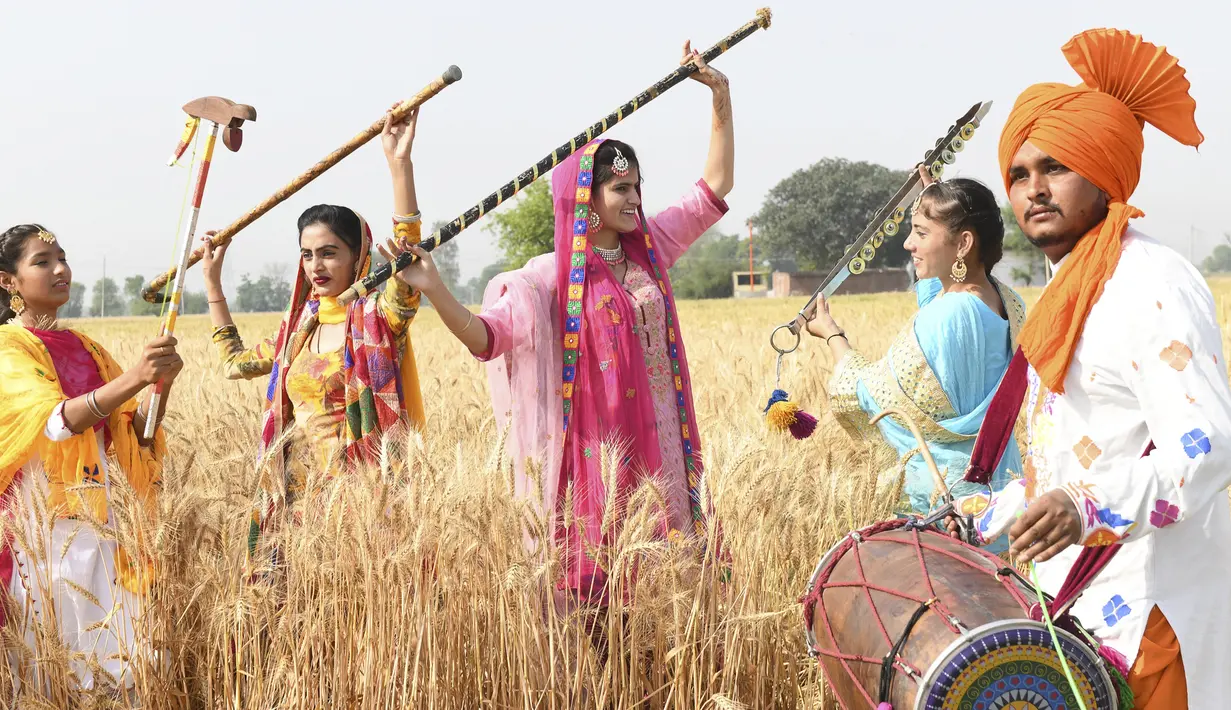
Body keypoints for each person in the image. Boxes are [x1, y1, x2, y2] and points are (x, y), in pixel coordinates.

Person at [395, 41, 734, 605]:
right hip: (602, 457)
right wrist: (434, 289)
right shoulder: (548, 279)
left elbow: (713, 189)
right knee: (603, 597)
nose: (634, 199)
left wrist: (720, 98)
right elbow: (487, 337)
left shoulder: (648, 250)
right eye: (621, 188)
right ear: (586, 197)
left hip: (667, 449)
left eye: (637, 187)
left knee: (672, 593)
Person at [950, 28, 1228, 708]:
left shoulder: (1148, 281)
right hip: (1079, 601)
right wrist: (989, 513)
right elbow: (1082, 452)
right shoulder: (1074, 286)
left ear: (1103, 171)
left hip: (1153, 613)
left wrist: (1086, 507)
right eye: (1018, 175)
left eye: (1056, 167)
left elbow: (1209, 447)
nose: (1033, 190)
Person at [201, 107, 427, 541]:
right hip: (293, 508)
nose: (315, 265)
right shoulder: (297, 333)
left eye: (328, 252)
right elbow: (235, 364)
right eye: (307, 254)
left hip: (359, 509)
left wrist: (400, 166)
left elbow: (407, 258)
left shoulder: (379, 319)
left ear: (356, 255)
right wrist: (213, 284)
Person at [0, 224, 181, 689]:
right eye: (42, 262)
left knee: (119, 655)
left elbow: (132, 434)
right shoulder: (8, 348)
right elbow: (56, 422)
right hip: (41, 526)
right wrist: (135, 377)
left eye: (62, 257)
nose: (61, 270)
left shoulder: (86, 347)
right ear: (8, 281)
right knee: (50, 657)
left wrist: (161, 382)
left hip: (101, 520)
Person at [803, 172, 1026, 546]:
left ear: (963, 243)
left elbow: (870, 395)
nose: (908, 243)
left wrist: (832, 335)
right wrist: (932, 202)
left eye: (921, 233)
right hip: (992, 499)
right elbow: (943, 302)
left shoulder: (945, 318)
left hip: (941, 506)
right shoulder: (1007, 301)